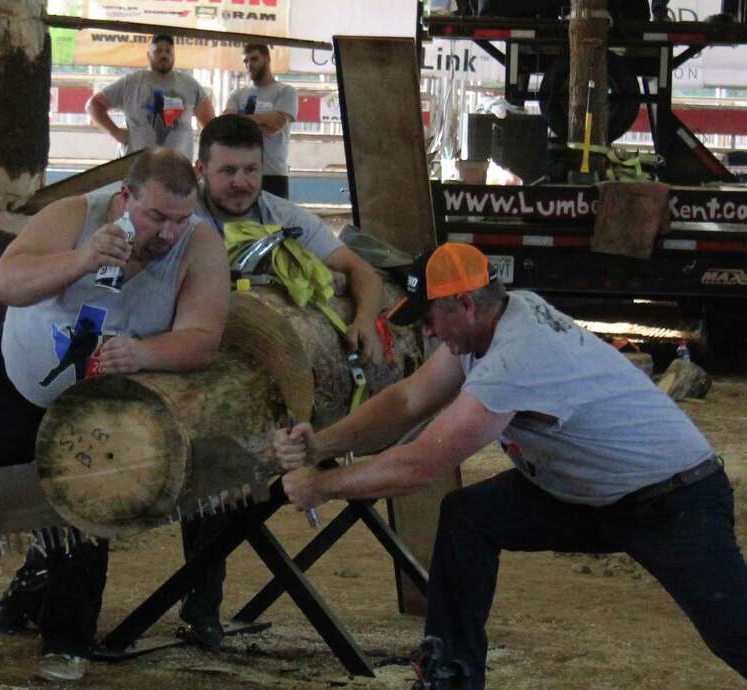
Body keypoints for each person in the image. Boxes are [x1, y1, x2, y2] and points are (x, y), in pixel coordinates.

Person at [274, 242, 747, 688]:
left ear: (465, 304)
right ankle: (449, 676)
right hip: (587, 492)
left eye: (432, 319)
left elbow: (421, 464)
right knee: (470, 517)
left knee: (733, 630)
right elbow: (407, 400)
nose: (428, 332)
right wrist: (322, 443)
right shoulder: (494, 321)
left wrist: (323, 486)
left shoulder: (517, 354)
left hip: (671, 499)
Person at [0, 148, 231, 683]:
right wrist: (81, 259)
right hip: (13, 377)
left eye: (179, 219)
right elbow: (3, 285)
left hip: (98, 400)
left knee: (86, 508)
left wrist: (146, 354)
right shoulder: (74, 215)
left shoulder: (201, 245)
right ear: (126, 198)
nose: (169, 233)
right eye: (156, 217)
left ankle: (68, 640)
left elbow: (203, 339)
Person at [194, 114, 386, 366]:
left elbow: (362, 271)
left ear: (263, 166)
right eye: (228, 171)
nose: (240, 182)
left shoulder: (285, 217)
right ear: (201, 170)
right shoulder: (177, 216)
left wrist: (364, 322)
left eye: (251, 170)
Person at [86, 34, 216, 162]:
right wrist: (117, 133)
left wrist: (204, 161)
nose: (164, 55)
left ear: (174, 55)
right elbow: (94, 105)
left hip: (178, 173)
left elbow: (210, 126)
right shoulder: (130, 83)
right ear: (148, 55)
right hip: (137, 171)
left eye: (168, 51)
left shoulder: (189, 85)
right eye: (158, 51)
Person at [222, 44, 298, 199]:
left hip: (273, 173)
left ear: (267, 59)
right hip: (242, 173)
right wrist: (264, 121)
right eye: (246, 61)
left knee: (273, 223)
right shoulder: (237, 94)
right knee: (241, 223)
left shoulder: (286, 91)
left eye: (254, 59)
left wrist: (241, 121)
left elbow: (277, 123)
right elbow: (228, 125)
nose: (250, 64)